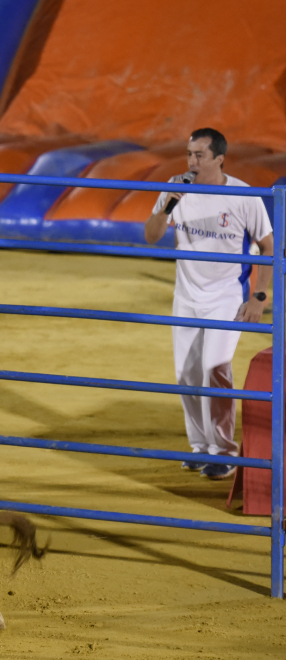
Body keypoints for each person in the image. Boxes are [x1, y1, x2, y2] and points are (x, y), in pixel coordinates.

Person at [144, 128, 273, 480]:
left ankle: (224, 451)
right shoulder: (175, 187)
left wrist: (259, 297)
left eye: (200, 155)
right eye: (189, 154)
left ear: (219, 159)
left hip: (225, 297)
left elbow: (268, 245)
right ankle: (200, 446)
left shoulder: (244, 195)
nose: (191, 161)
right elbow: (151, 235)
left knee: (214, 369)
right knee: (186, 374)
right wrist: (168, 204)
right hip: (185, 296)